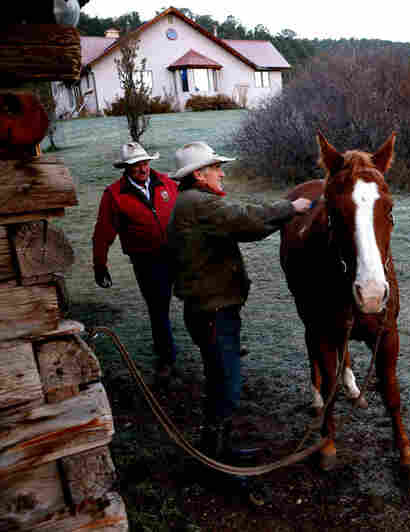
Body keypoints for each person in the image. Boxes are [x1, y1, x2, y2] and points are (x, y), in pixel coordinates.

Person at [166, 141, 311, 495]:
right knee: (226, 387)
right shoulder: (198, 203)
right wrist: (291, 208)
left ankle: (218, 450)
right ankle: (216, 466)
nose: (222, 172)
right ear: (199, 174)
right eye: (216, 167)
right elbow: (247, 221)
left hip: (212, 310)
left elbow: (250, 227)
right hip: (213, 312)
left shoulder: (191, 203)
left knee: (221, 382)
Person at [92, 142, 178, 382]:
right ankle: (166, 359)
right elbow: (103, 232)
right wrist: (100, 265)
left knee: (198, 299)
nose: (143, 169)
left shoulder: (168, 183)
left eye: (145, 163)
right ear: (126, 168)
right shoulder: (114, 195)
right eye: (136, 165)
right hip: (147, 262)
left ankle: (216, 348)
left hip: (179, 254)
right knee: (159, 311)